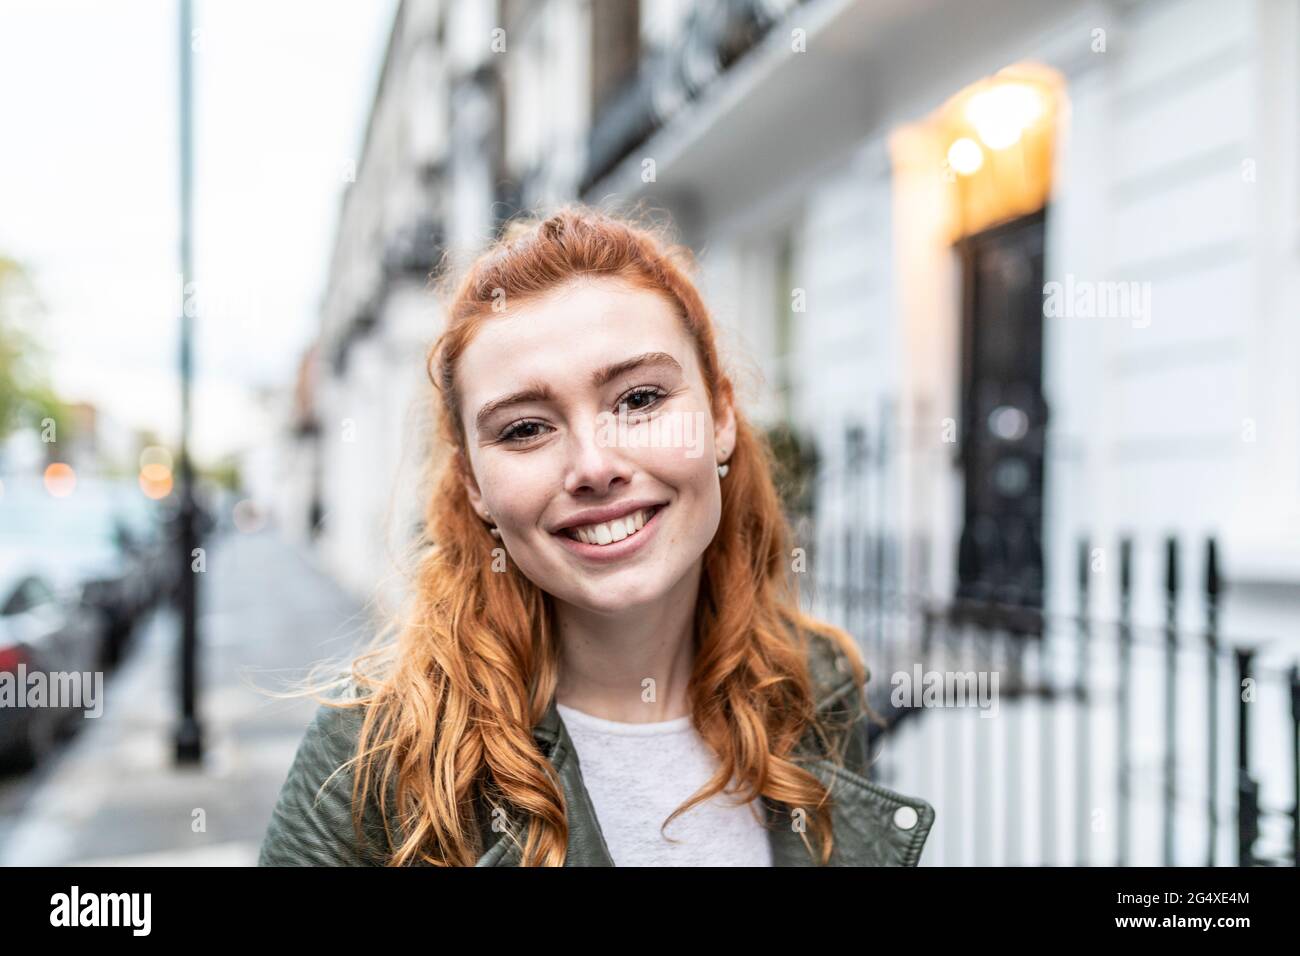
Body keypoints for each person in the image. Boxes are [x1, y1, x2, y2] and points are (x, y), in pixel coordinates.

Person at [257, 203, 935, 867]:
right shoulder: (369, 765)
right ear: (473, 486)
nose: (595, 467)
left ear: (721, 415)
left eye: (640, 399)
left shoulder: (812, 684)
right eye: (526, 428)